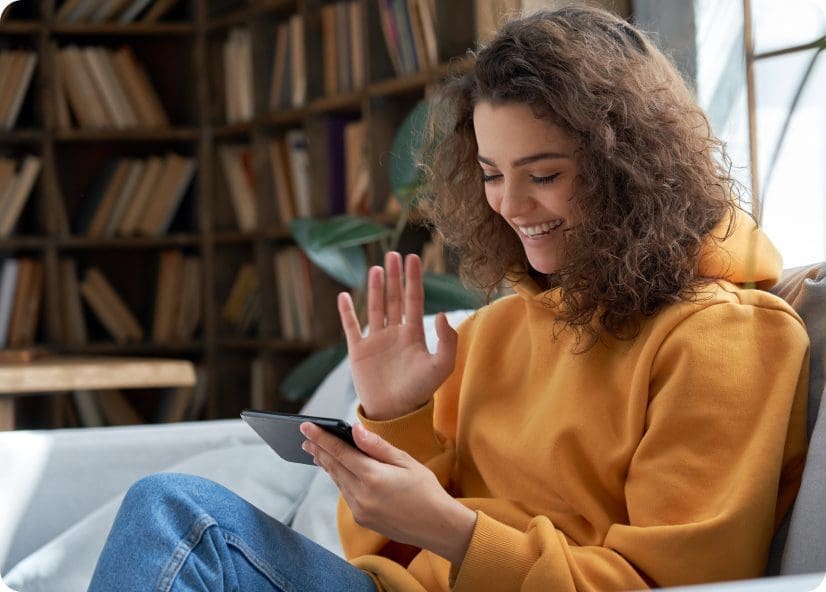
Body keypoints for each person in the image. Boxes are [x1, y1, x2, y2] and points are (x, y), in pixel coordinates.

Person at [87, 5, 810, 591]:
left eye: (546, 173)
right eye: (492, 173)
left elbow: (676, 587)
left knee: (182, 521)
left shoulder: (727, 339)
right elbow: (388, 552)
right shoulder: (499, 330)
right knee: (174, 514)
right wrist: (399, 418)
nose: (512, 205)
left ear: (634, 167)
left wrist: (454, 531)